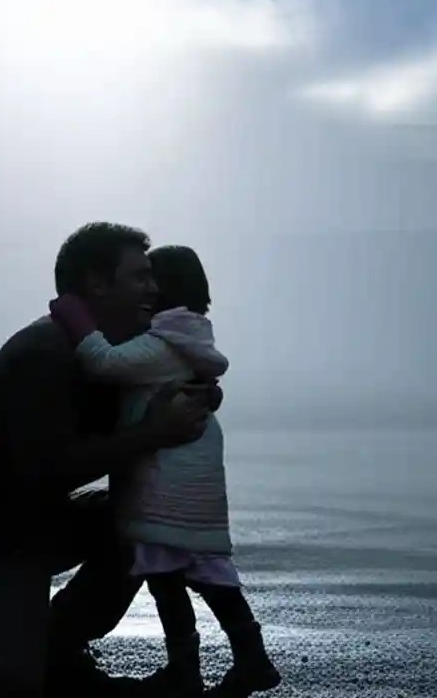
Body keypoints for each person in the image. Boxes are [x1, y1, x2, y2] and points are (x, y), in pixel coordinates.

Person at [0, 223, 223, 698]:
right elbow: (47, 467)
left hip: (27, 523)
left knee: (139, 525)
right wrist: (153, 432)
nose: (154, 289)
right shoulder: (47, 353)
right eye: (140, 277)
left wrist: (193, 394)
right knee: (13, 684)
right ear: (97, 283)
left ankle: (58, 645)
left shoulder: (113, 356)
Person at [49, 245, 280, 698]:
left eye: (152, 278)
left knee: (166, 579)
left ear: (165, 287)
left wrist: (73, 315)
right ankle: (247, 658)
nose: (146, 287)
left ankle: (188, 670)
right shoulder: (190, 339)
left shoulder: (163, 343)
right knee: (209, 576)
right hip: (194, 482)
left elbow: (105, 363)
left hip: (166, 482)